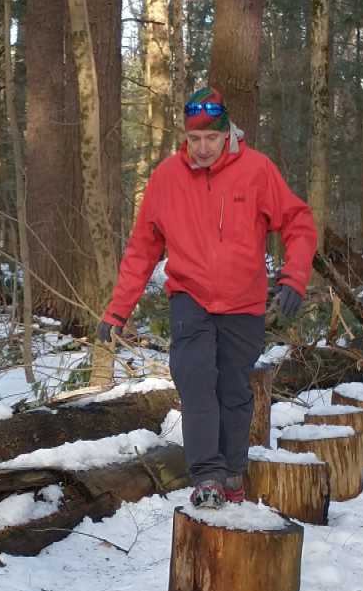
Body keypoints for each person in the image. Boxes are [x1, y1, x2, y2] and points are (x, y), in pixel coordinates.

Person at [98, 86, 317, 509]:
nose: (202, 148)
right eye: (194, 139)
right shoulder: (166, 178)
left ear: (227, 133)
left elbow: (298, 222)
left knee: (233, 391)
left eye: (210, 139)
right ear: (185, 136)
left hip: (243, 302)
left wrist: (294, 278)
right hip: (190, 298)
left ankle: (232, 472)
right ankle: (208, 477)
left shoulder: (257, 171)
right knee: (195, 382)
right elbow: (142, 248)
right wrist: (117, 309)